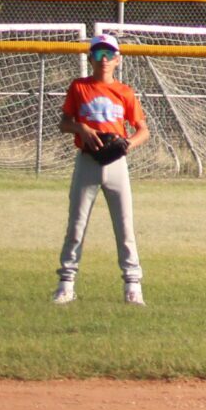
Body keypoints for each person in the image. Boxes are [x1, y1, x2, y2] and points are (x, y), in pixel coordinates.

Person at [53, 34, 149, 306]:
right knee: (76, 225)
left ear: (118, 60)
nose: (103, 59)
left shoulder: (125, 92)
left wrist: (127, 144)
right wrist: (81, 128)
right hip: (88, 160)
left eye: (108, 54)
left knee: (124, 226)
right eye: (97, 54)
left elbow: (143, 130)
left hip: (116, 163)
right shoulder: (79, 87)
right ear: (89, 58)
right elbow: (64, 122)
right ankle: (66, 284)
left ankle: (133, 285)